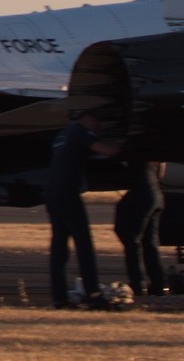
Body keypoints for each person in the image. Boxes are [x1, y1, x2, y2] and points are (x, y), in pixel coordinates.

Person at [45, 110, 121, 308]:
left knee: (59, 247)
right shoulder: (80, 132)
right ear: (87, 118)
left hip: (53, 194)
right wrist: (129, 148)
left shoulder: (63, 134)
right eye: (98, 120)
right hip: (68, 194)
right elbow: (106, 150)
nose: (99, 126)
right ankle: (94, 295)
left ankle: (59, 298)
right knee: (84, 245)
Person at [115, 159, 166, 297]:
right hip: (156, 195)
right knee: (150, 242)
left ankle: (138, 283)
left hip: (142, 194)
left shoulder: (135, 149)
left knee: (132, 238)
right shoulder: (156, 150)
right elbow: (161, 172)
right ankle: (159, 283)